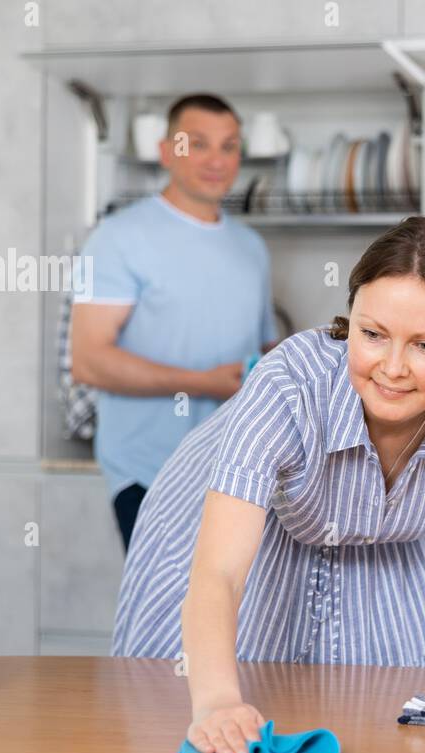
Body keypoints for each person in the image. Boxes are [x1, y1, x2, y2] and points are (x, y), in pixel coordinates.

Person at [112, 217, 425, 753]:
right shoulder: (288, 385)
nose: (392, 369)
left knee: (389, 741)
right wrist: (217, 702)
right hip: (235, 529)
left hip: (387, 545)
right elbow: (220, 573)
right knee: (214, 712)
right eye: (372, 335)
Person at [71, 93, 275, 551]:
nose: (216, 160)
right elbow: (89, 361)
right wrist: (203, 382)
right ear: (166, 152)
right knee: (169, 620)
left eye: (229, 146)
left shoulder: (252, 248)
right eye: (197, 144)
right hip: (149, 475)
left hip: (235, 475)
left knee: (238, 620)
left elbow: (263, 349)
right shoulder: (118, 238)